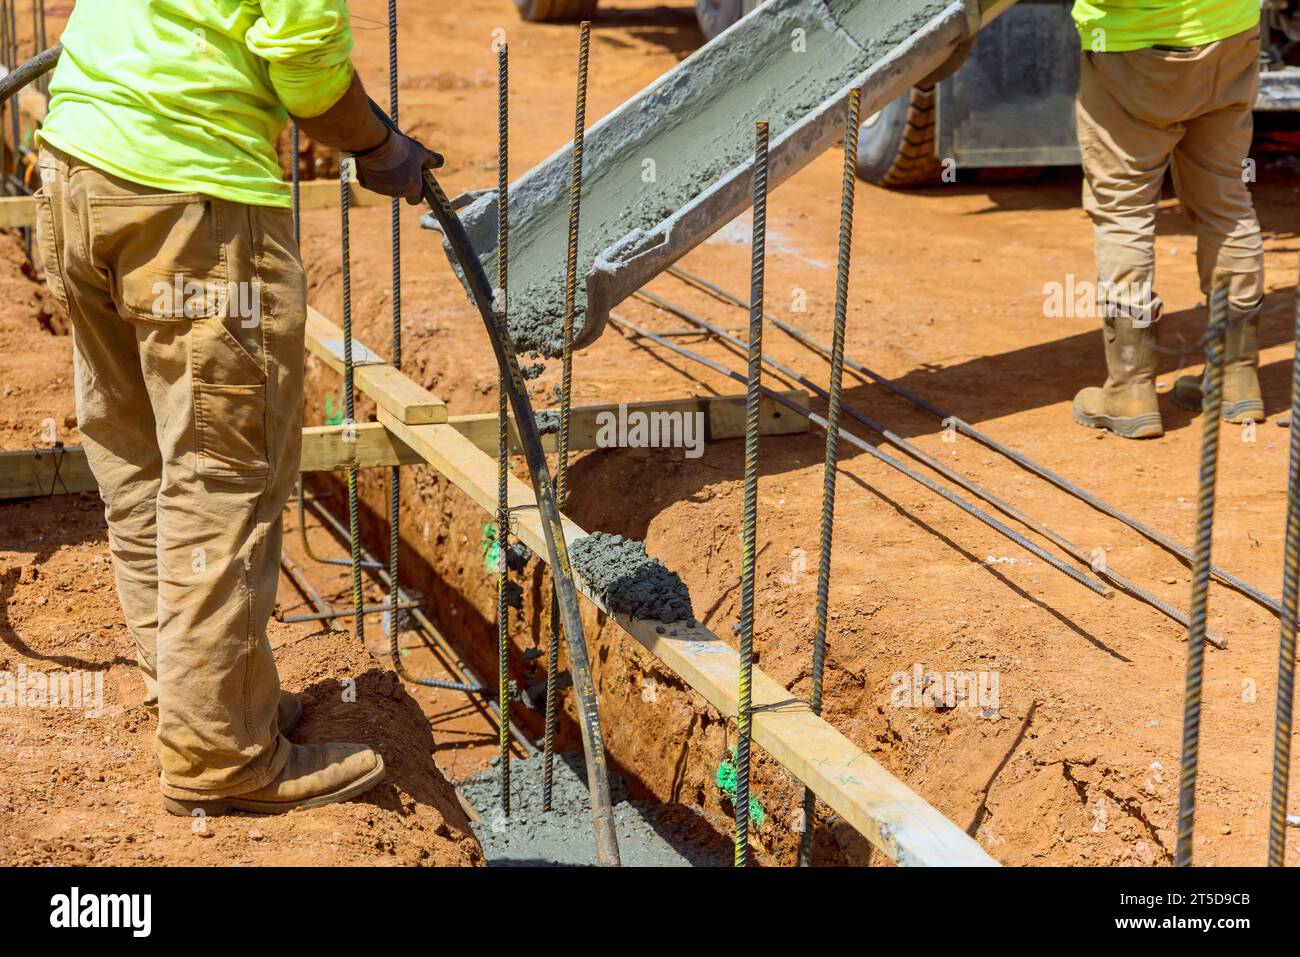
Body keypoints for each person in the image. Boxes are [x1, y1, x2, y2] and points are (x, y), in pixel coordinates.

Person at [33, 1, 439, 815]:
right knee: (224, 479)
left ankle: (194, 696)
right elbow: (309, 71)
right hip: (189, 202)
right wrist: (380, 146)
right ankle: (221, 753)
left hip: (76, 173)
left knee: (144, 459)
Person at [1069, 0, 1265, 438]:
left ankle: (1131, 388)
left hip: (1134, 44)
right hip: (1231, 33)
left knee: (1124, 207)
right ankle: (1236, 378)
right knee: (1226, 202)